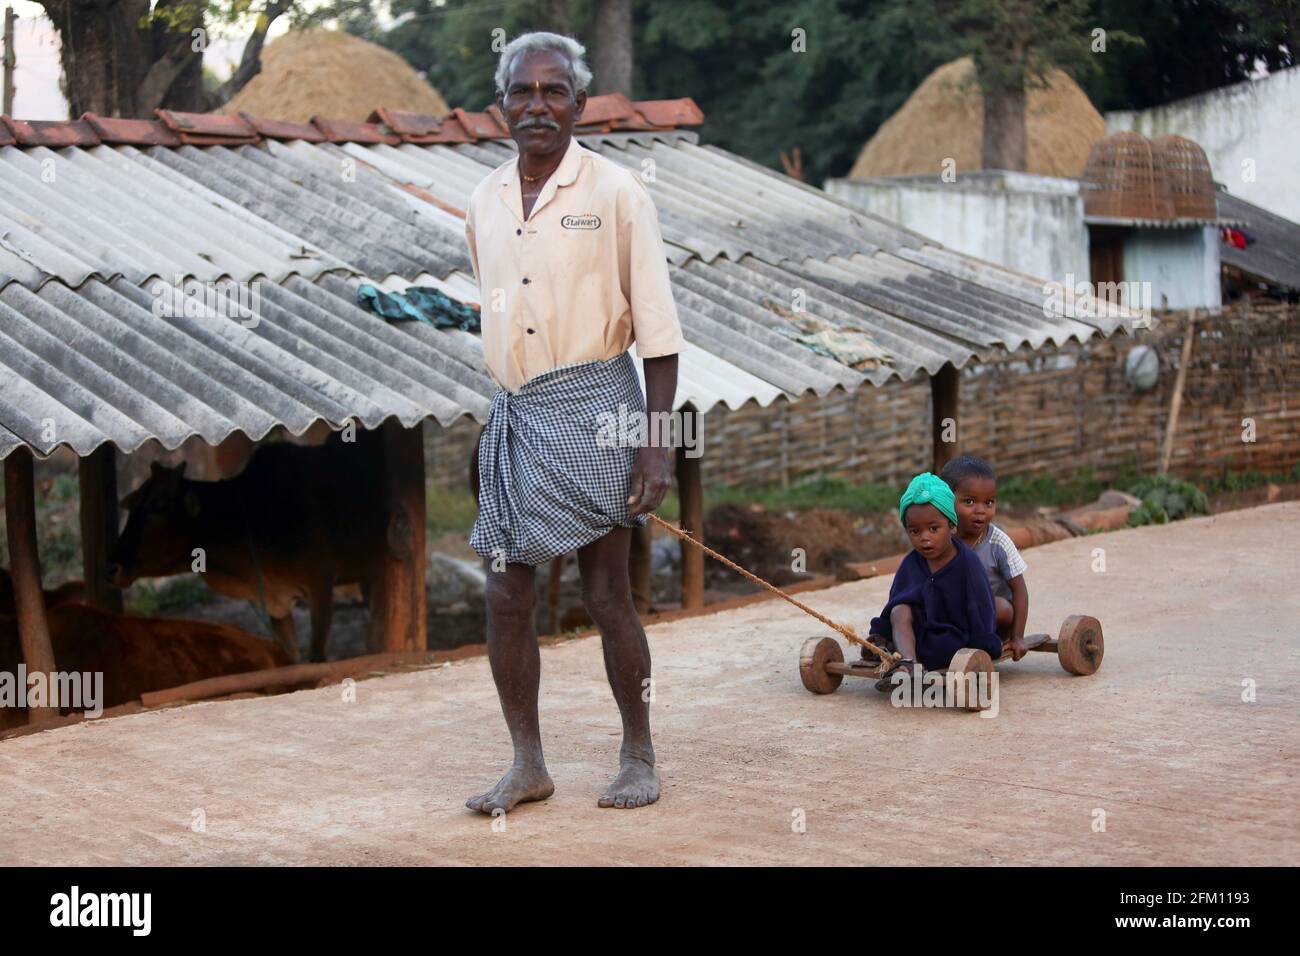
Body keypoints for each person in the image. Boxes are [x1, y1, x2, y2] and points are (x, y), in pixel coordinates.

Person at [461, 31, 683, 813]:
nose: (537, 106)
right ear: (501, 105)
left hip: (599, 407)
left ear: (580, 105)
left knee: (606, 591)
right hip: (520, 414)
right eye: (522, 92)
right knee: (504, 594)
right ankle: (528, 763)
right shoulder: (484, 200)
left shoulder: (617, 193)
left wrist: (654, 445)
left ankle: (639, 752)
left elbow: (657, 331)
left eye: (554, 92)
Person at [866, 472, 1003, 690]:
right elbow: (895, 601)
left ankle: (910, 663)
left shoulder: (968, 563)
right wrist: (880, 633)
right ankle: (908, 665)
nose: (924, 537)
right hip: (918, 636)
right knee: (900, 609)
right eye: (915, 531)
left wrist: (982, 647)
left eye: (933, 529)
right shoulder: (912, 562)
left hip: (955, 637)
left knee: (945, 645)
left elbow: (981, 608)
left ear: (952, 526)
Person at [939, 455, 1030, 660]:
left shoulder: (998, 542)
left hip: (990, 621)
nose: (981, 510)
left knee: (1003, 607)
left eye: (989, 502)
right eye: (969, 501)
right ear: (946, 500)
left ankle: (960, 644)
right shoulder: (942, 537)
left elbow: (1020, 591)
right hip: (953, 617)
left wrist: (1017, 637)